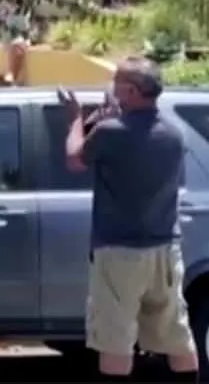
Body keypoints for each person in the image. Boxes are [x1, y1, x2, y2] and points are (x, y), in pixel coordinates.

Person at [62, 58, 198, 382]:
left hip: (119, 252)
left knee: (116, 340)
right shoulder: (174, 133)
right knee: (176, 334)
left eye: (118, 83)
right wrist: (106, 121)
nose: (113, 88)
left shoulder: (111, 132)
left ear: (133, 91)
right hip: (164, 250)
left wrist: (76, 120)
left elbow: (75, 159)